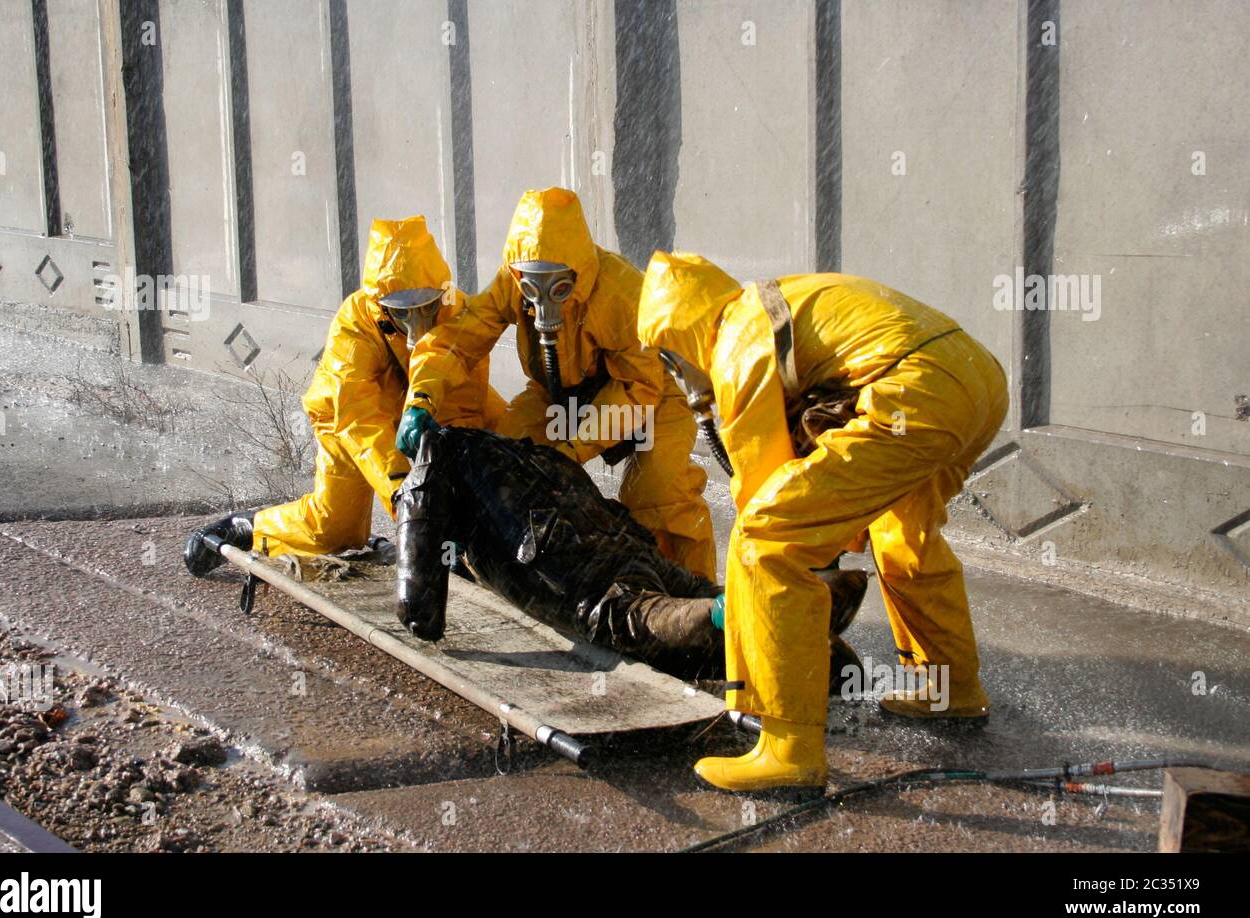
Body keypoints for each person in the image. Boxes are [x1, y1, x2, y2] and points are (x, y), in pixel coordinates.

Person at [636, 251, 1009, 794]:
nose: (676, 374)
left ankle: (789, 749)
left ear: (679, 334)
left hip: (915, 390)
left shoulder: (737, 338)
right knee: (904, 533)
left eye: (668, 358)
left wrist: (742, 605)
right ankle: (947, 688)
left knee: (767, 540)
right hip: (974, 381)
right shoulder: (776, 299)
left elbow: (762, 486)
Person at [395, 187, 717, 581]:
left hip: (648, 391)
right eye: (530, 285)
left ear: (579, 272)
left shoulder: (620, 293)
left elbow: (637, 387)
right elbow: (457, 343)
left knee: (658, 493)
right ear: (517, 274)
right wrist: (421, 398)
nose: (543, 299)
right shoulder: (509, 284)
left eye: (559, 286)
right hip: (558, 392)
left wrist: (572, 448)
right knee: (503, 462)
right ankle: (508, 568)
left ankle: (691, 594)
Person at [184, 216, 502, 576]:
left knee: (509, 442)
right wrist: (406, 498)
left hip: (427, 403)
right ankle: (250, 528)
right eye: (402, 312)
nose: (416, 322)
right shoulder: (354, 324)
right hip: (346, 418)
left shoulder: (457, 311)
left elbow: (462, 407)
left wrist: (462, 499)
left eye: (425, 306)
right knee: (336, 530)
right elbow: (360, 418)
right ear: (382, 306)